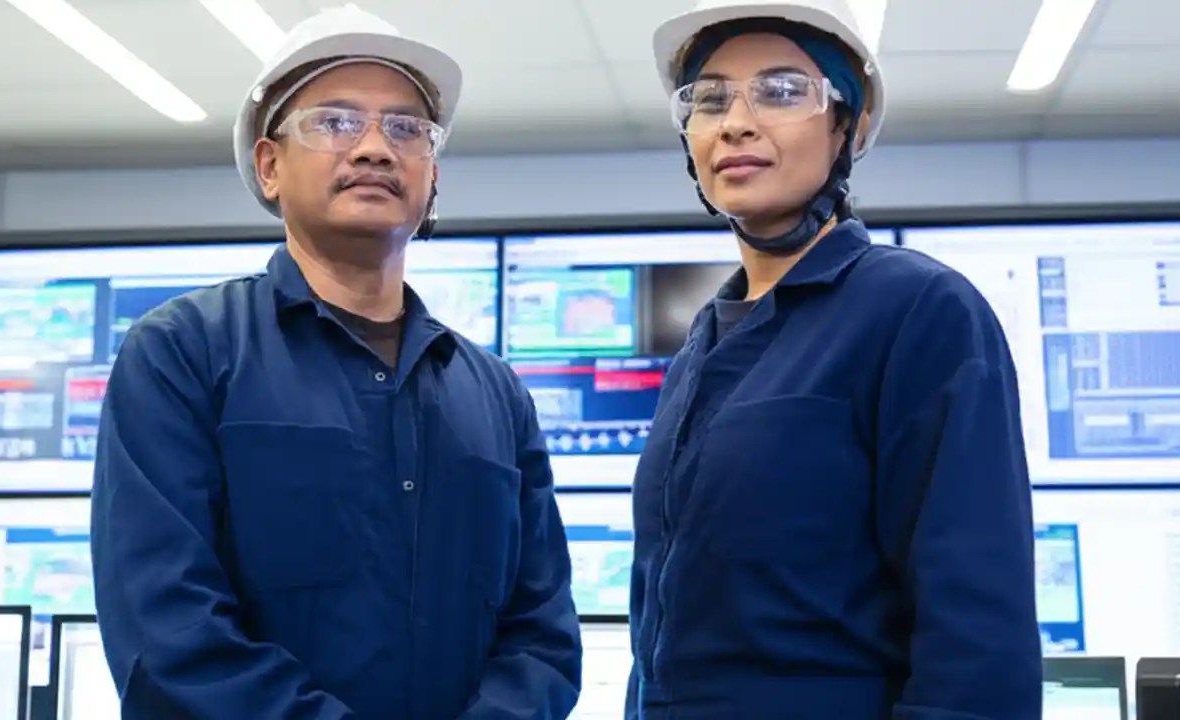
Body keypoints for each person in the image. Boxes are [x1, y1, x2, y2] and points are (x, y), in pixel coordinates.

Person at [89, 5, 581, 719]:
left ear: (432, 175)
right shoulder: (184, 353)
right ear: (269, 166)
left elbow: (542, 633)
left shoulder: (494, 393)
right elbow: (168, 634)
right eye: (335, 122)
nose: (375, 148)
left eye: (406, 129)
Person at [625, 1, 1043, 718]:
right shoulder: (702, 345)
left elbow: (977, 634)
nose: (737, 121)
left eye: (784, 90)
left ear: (845, 126)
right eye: (711, 97)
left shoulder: (918, 309)